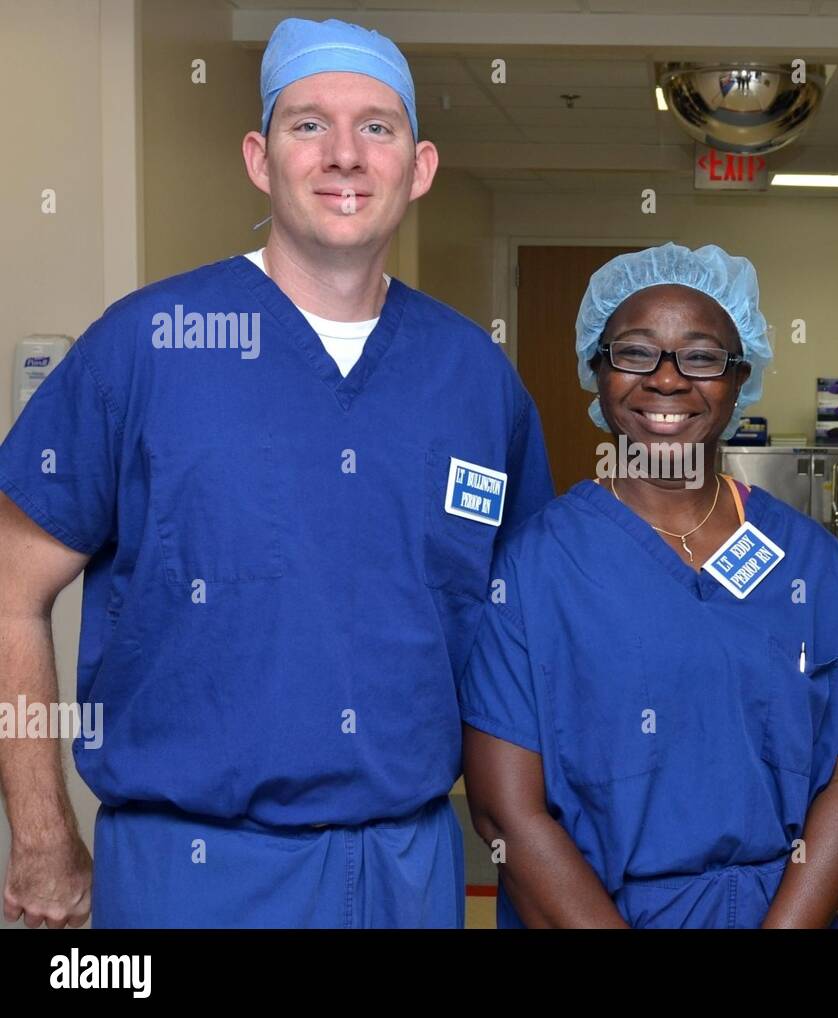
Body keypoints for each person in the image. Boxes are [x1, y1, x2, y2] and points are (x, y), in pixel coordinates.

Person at [0, 17, 552, 929]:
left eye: (377, 126)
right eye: (309, 125)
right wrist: (40, 833)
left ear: (418, 167)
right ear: (260, 158)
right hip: (191, 867)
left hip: (410, 863)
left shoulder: (475, 380)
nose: (344, 155)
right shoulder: (147, 345)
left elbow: (525, 639)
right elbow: (12, 591)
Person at [458, 243, 838, 928]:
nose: (667, 381)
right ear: (597, 371)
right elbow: (505, 812)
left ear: (739, 377)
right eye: (635, 353)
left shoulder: (807, 562)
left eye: (701, 356)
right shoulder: (533, 569)